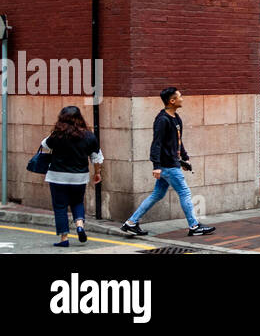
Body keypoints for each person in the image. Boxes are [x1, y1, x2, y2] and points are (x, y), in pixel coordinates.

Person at [120, 87, 215, 238]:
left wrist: (184, 157)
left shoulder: (176, 118)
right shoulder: (162, 120)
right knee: (184, 192)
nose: (182, 98)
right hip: (167, 166)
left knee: (157, 194)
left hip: (172, 163)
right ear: (172, 101)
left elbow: (178, 140)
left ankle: (131, 223)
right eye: (180, 96)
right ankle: (194, 226)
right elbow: (156, 144)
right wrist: (156, 166)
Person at [38, 106, 104, 247]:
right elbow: (97, 157)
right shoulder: (89, 136)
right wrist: (97, 173)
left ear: (62, 118)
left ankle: (64, 238)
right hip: (79, 177)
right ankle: (80, 225)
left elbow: (44, 145)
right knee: (77, 202)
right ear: (80, 118)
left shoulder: (57, 134)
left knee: (60, 206)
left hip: (57, 176)